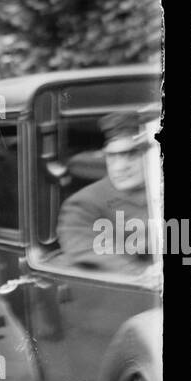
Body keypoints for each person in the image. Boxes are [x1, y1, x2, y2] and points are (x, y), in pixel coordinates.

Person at [56, 112, 153, 273]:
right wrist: (146, 274)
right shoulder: (83, 204)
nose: (119, 167)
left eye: (132, 155)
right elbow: (90, 251)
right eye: (112, 157)